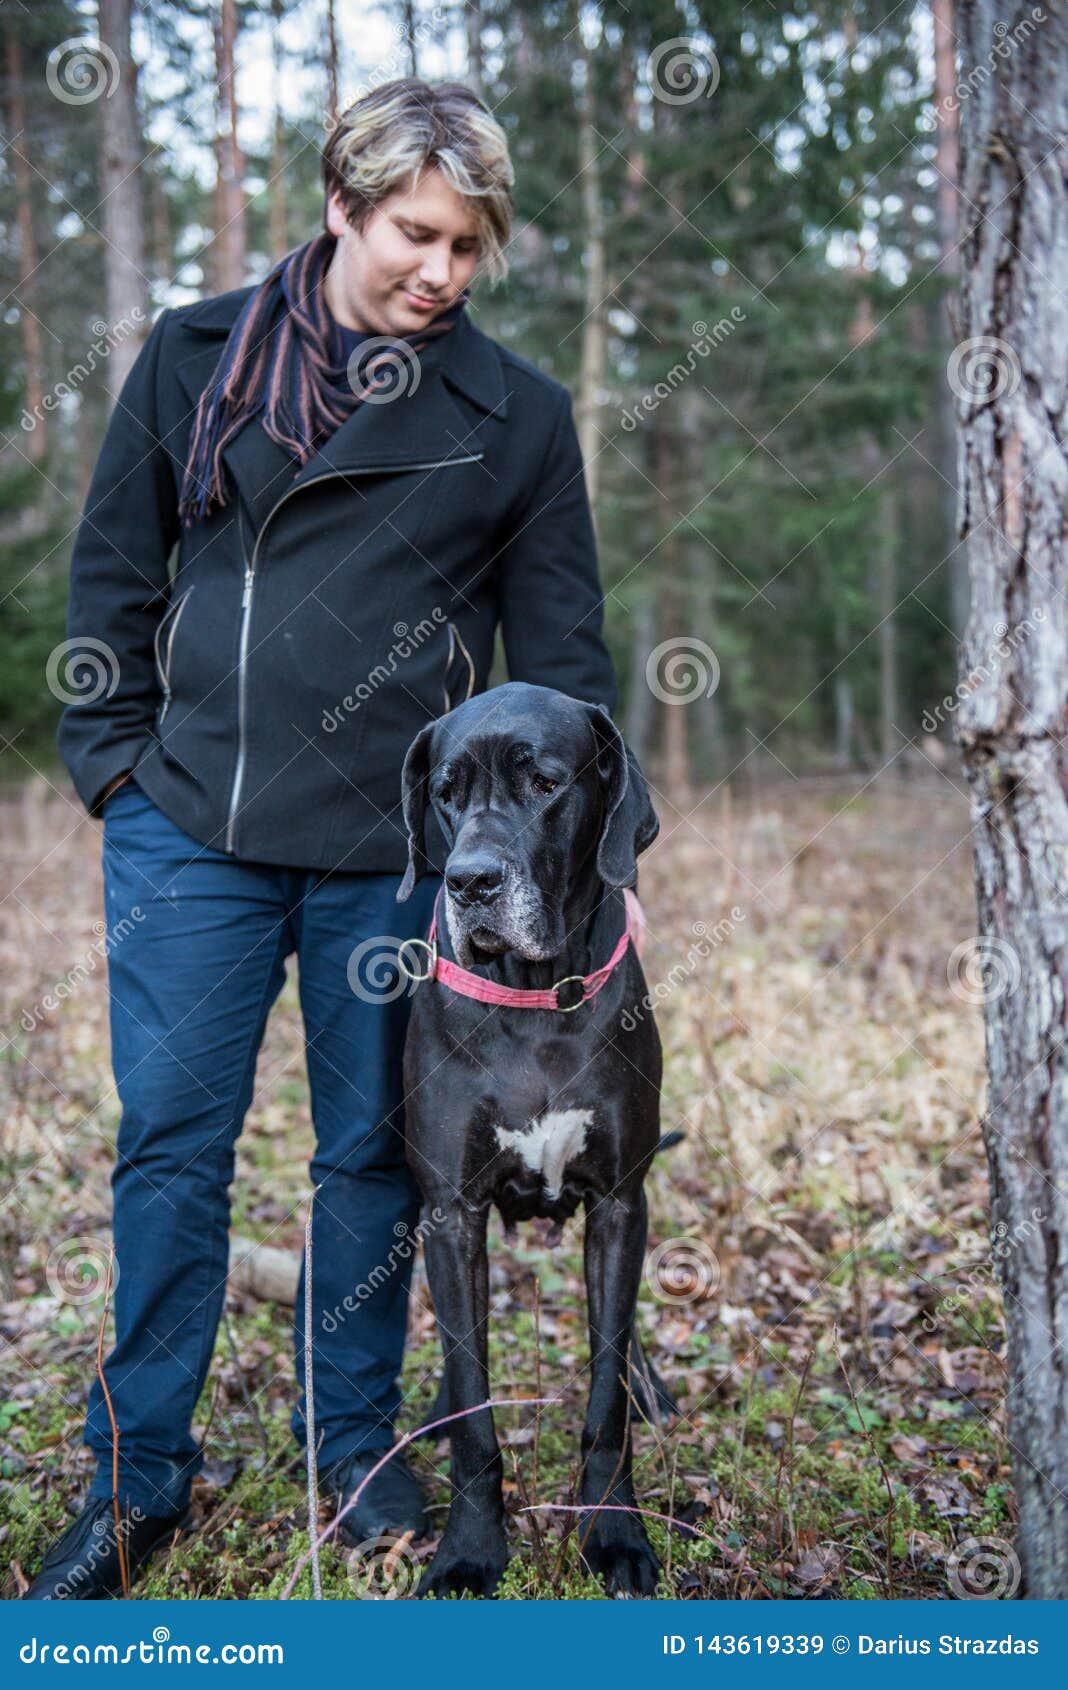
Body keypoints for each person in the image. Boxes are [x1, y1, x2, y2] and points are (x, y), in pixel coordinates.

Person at [25, 77, 620, 1599]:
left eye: (470, 248)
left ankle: (353, 1446)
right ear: (342, 207)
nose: (441, 271)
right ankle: (138, 1468)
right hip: (191, 836)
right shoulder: (193, 357)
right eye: (414, 234)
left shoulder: (516, 418)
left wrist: (576, 868)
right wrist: (113, 770)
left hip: (395, 857)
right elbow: (110, 574)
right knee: (171, 1146)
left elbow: (564, 670)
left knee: (370, 1156)